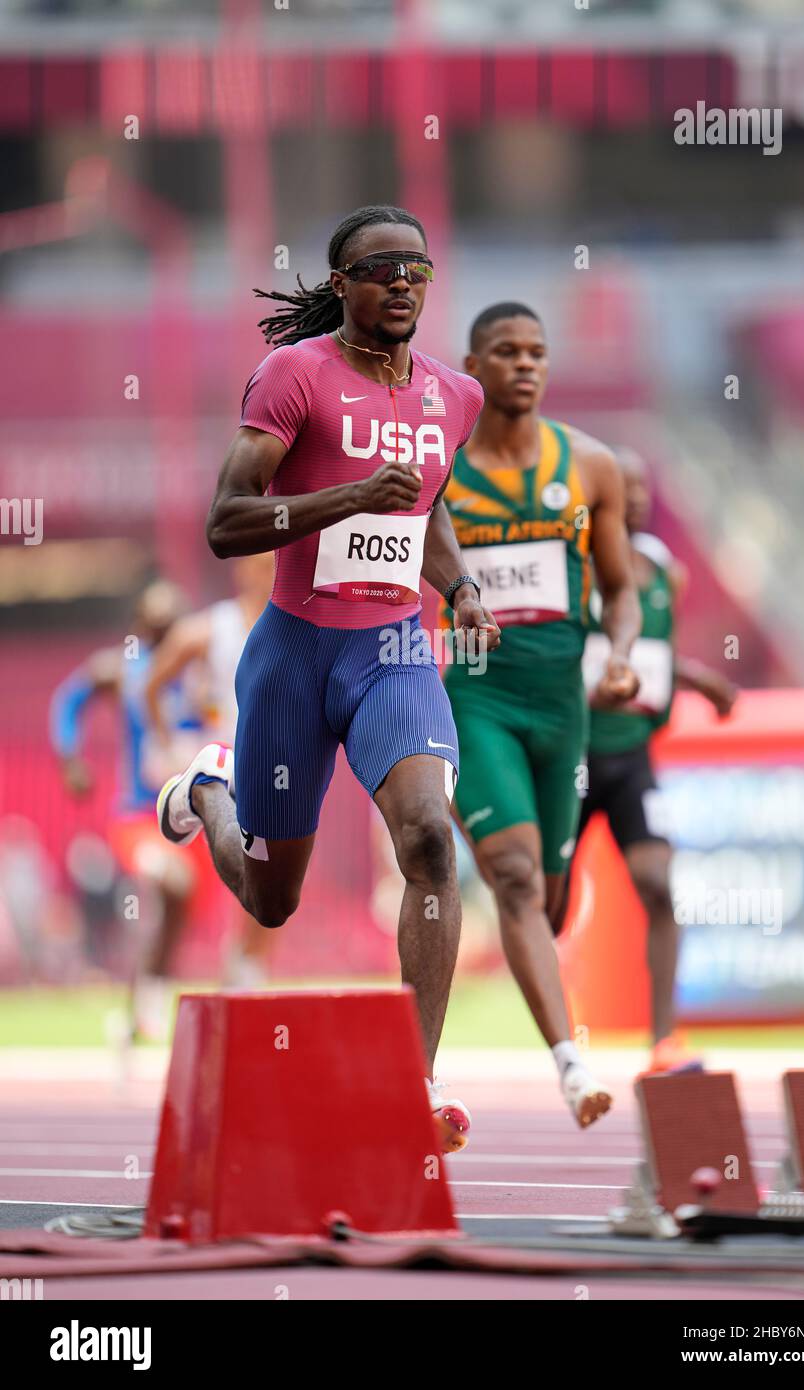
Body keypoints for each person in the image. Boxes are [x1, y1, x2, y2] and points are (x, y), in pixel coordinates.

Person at [156, 205, 501, 1153]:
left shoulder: (455, 397)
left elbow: (424, 510)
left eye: (415, 269)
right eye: (378, 267)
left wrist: (462, 584)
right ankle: (208, 791)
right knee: (274, 899)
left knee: (430, 840)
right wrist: (348, 494)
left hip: (394, 651)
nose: (400, 282)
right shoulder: (293, 375)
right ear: (341, 285)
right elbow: (226, 521)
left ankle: (412, 1085)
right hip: (297, 653)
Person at [442, 302, 640, 1129]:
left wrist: (619, 653)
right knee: (516, 878)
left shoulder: (590, 467)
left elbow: (623, 587)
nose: (525, 365)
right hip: (477, 692)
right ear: (472, 364)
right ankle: (571, 1069)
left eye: (537, 353)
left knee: (549, 904)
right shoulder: (441, 470)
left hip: (564, 706)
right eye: (506, 352)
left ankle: (531, 966)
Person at [560, 446, 738, 1074]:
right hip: (574, 759)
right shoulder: (569, 571)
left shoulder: (666, 573)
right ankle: (558, 1037)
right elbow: (552, 660)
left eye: (640, 488)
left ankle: (664, 1040)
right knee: (547, 903)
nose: (632, 498)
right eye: (620, 486)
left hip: (632, 758)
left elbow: (652, 655)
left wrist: (698, 680)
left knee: (659, 886)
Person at [50, 579, 201, 1039]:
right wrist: (70, 758)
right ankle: (144, 1006)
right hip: (138, 816)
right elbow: (69, 699)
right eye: (156, 627)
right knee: (169, 885)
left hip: (192, 818)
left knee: (179, 906)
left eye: (172, 626)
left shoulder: (199, 670)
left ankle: (141, 1008)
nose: (164, 636)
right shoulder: (125, 668)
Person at [145, 552, 276, 988]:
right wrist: (166, 742)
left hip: (272, 761)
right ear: (241, 570)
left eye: (276, 564)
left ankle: (245, 961)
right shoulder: (208, 629)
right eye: (261, 564)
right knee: (203, 876)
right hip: (222, 757)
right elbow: (152, 685)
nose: (270, 573)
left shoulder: (289, 627)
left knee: (279, 868)